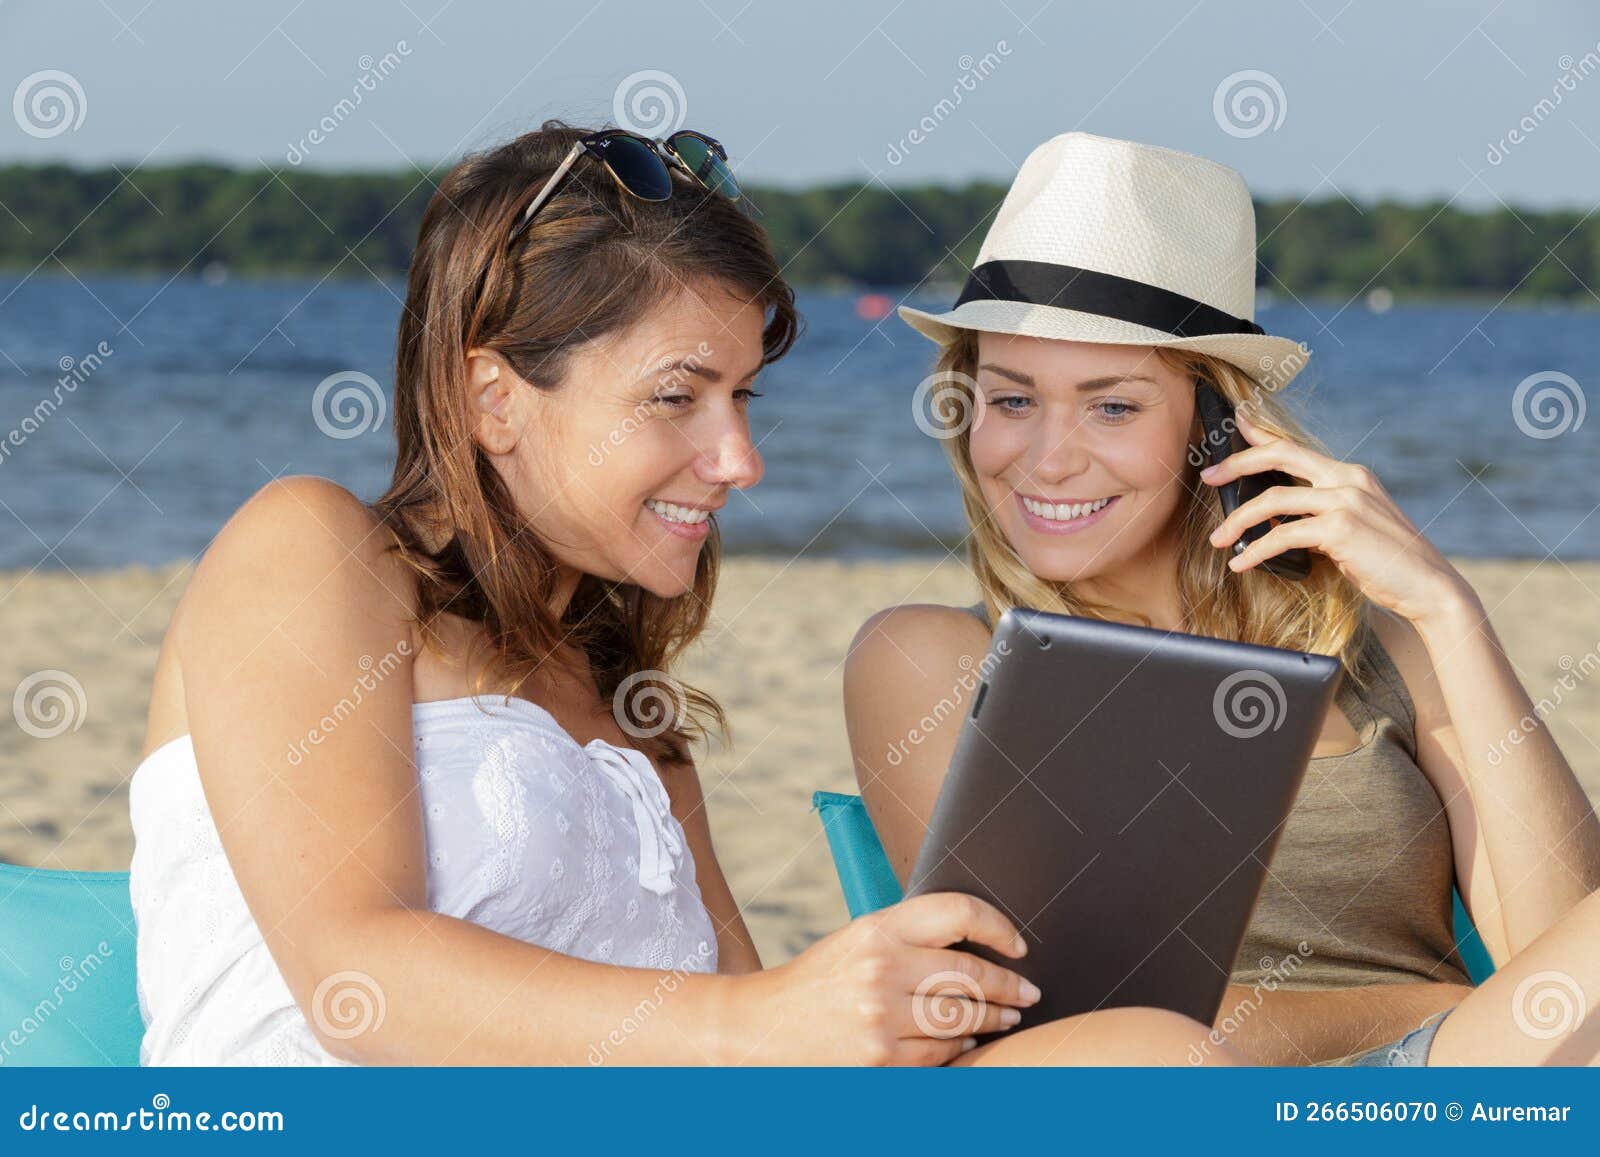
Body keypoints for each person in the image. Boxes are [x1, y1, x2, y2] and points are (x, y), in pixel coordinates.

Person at [128, 121, 1230, 1067]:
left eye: (742, 395)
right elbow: (351, 975)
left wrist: (874, 1014)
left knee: (1148, 1050)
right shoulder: (314, 547)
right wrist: (763, 1015)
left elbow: (746, 1054)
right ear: (492, 397)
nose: (741, 457)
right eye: (677, 396)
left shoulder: (626, 705)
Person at [846, 131, 1600, 1066]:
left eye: (1110, 405)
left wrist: (1451, 612)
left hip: (1433, 1090)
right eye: (1010, 400)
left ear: (1214, 426)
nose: (1045, 458)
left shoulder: (1383, 650)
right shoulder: (934, 657)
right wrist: (1437, 1006)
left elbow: (1571, 992)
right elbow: (1053, 1019)